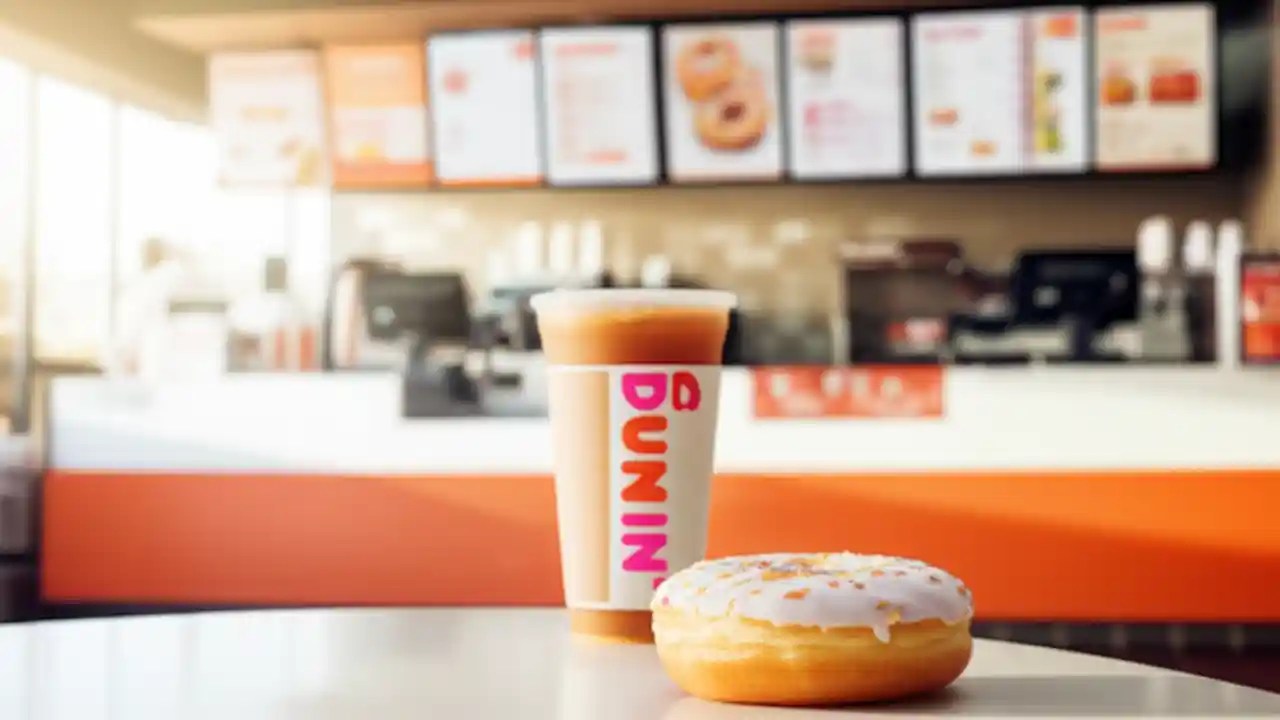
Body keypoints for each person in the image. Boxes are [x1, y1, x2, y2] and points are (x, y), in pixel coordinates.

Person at [107, 237, 184, 379]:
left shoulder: (156, 279)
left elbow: (135, 321)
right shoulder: (147, 282)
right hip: (149, 351)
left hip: (152, 350)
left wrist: (128, 350)